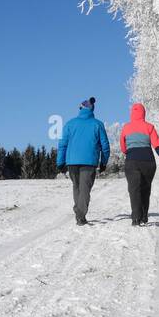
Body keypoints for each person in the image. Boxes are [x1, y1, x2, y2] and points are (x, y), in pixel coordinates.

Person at [56, 97, 110, 226]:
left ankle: (79, 213)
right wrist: (103, 162)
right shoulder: (97, 124)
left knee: (77, 187)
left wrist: (60, 162)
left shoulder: (70, 124)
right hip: (89, 162)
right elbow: (105, 146)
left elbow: (62, 144)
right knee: (85, 189)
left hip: (72, 162)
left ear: (80, 109)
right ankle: (80, 215)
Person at [118, 103, 159, 226]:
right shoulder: (149, 127)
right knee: (145, 189)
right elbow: (157, 145)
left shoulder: (126, 127)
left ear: (132, 113)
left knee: (134, 189)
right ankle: (144, 216)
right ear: (143, 113)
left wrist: (130, 151)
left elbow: (123, 147)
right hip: (148, 162)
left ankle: (136, 217)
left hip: (132, 161)